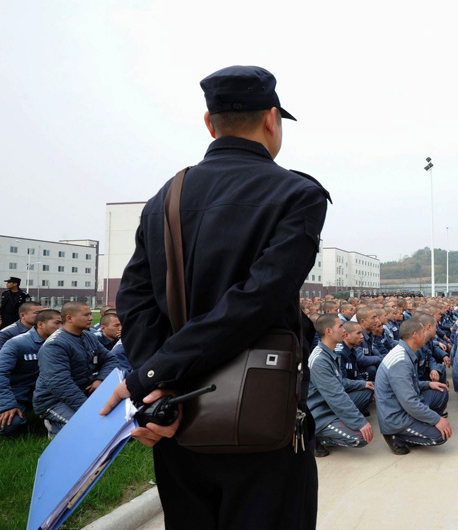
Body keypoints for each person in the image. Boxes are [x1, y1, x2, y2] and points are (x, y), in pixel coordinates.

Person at [101, 66, 328, 529]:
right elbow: (255, 302)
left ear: (210, 123)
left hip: (178, 417)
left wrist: (157, 378)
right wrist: (157, 374)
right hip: (262, 420)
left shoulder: (166, 196)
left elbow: (135, 299)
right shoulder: (298, 195)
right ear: (271, 119)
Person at [33, 302, 117, 438]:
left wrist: (100, 379)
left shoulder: (88, 336)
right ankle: (53, 427)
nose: (91, 318)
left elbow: (111, 360)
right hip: (54, 400)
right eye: (86, 315)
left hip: (83, 392)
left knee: (114, 422)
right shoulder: (55, 345)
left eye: (90, 314)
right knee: (89, 428)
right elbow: (60, 384)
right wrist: (88, 409)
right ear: (69, 318)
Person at [375, 319, 452, 455]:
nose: (427, 335)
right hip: (397, 416)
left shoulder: (405, 352)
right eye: (423, 332)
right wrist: (436, 419)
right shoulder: (401, 361)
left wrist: (429, 384)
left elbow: (410, 385)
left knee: (440, 392)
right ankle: (396, 435)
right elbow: (409, 402)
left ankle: (420, 426)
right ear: (415, 335)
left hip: (403, 406)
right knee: (440, 436)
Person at [306, 315, 374, 457]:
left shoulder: (330, 352)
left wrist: (362, 383)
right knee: (360, 438)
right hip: (320, 411)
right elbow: (336, 395)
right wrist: (359, 422)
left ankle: (340, 421)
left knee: (366, 391)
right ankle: (317, 438)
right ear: (329, 331)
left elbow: (340, 382)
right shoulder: (320, 360)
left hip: (328, 404)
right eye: (340, 326)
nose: (344, 330)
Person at [0, 309, 62, 436]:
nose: (61, 327)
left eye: (63, 323)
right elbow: (0, 373)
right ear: (40, 324)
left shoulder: (62, 343)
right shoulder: (17, 343)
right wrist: (7, 405)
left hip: (47, 394)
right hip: (19, 394)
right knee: (10, 424)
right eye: (57, 323)